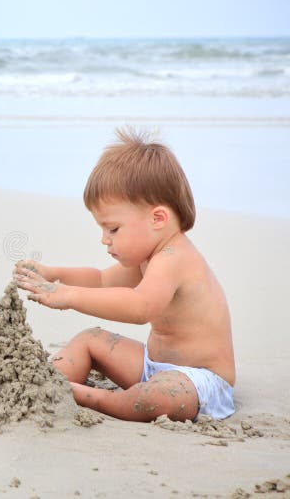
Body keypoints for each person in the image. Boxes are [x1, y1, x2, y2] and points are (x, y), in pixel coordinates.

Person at [15, 127, 235, 422]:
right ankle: (45, 377)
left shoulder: (175, 258)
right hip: (151, 365)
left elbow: (141, 307)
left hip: (198, 380)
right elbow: (102, 280)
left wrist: (69, 297)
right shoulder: (149, 257)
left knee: (155, 398)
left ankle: (89, 396)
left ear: (157, 218)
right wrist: (53, 274)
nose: (105, 239)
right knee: (89, 339)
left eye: (113, 229)